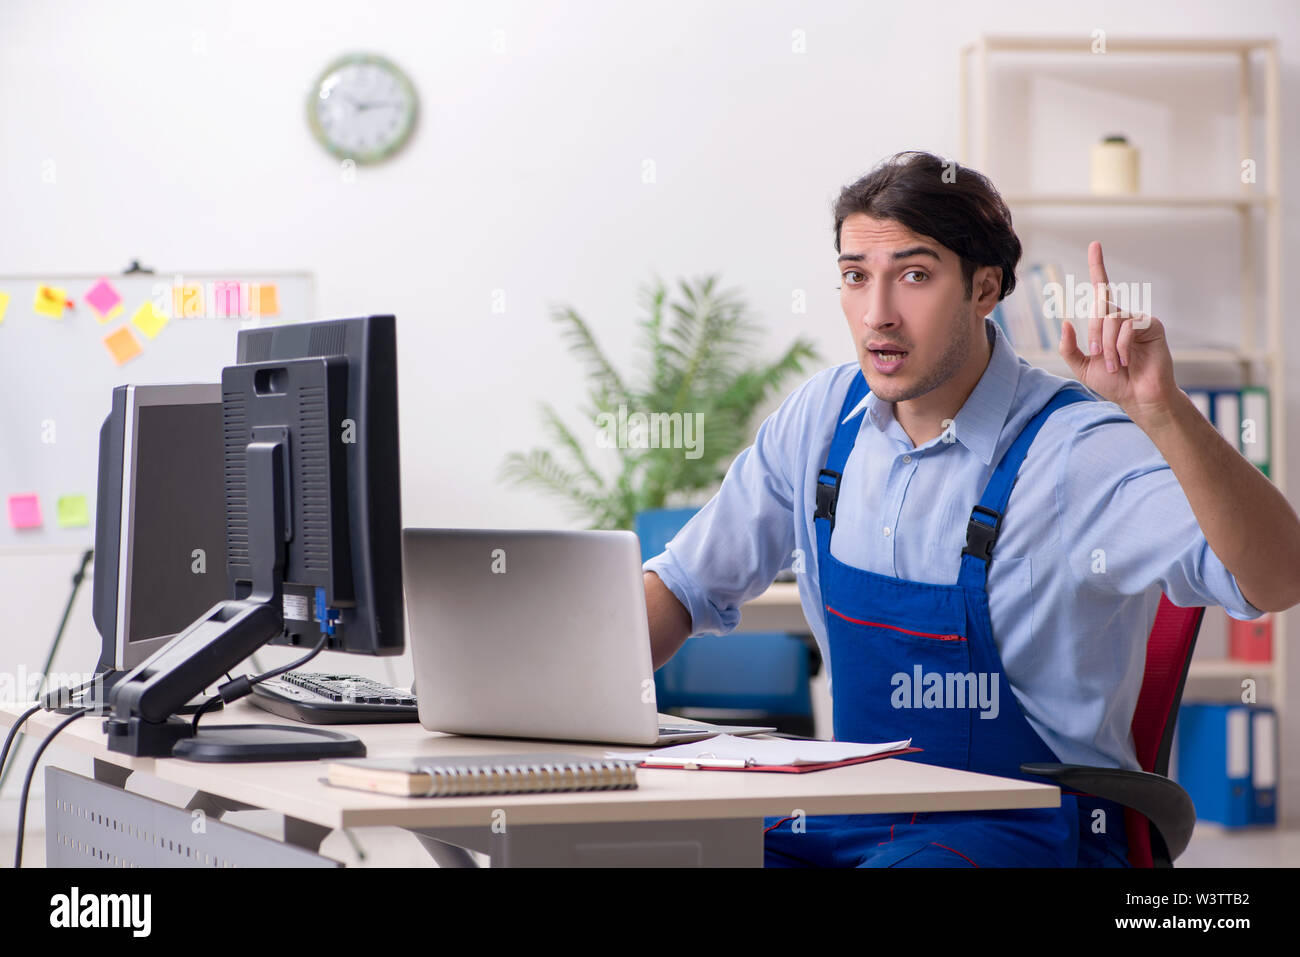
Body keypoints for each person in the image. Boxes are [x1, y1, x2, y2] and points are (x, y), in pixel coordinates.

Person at [641, 150, 1300, 867]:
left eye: (914, 276)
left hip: (1034, 828)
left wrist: (1164, 412)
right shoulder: (822, 420)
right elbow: (683, 586)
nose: (878, 314)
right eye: (857, 276)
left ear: (985, 290)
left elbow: (1279, 576)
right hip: (852, 811)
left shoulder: (1073, 450)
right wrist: (562, 697)